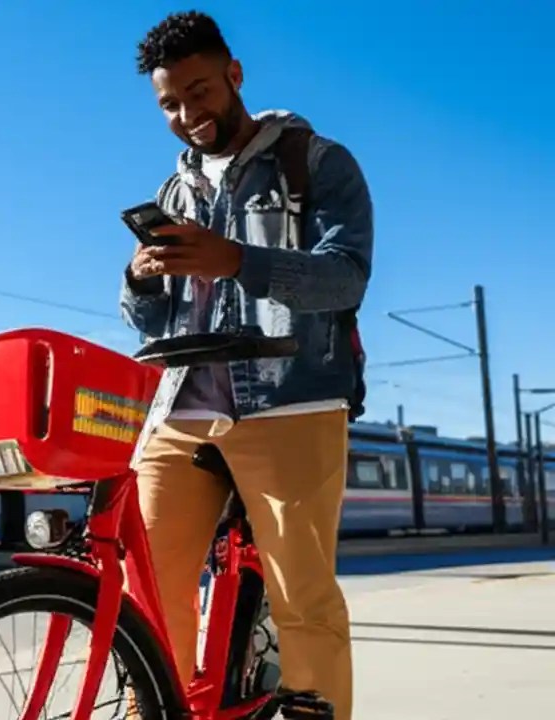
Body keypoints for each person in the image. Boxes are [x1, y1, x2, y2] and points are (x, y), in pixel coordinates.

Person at [121, 10, 374, 720]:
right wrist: (142, 280)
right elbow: (148, 317)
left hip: (290, 401)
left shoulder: (316, 162)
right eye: (169, 103)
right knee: (146, 594)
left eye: (198, 92)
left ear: (234, 76)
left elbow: (347, 276)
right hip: (184, 406)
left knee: (303, 600)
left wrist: (237, 261)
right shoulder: (176, 192)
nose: (185, 114)